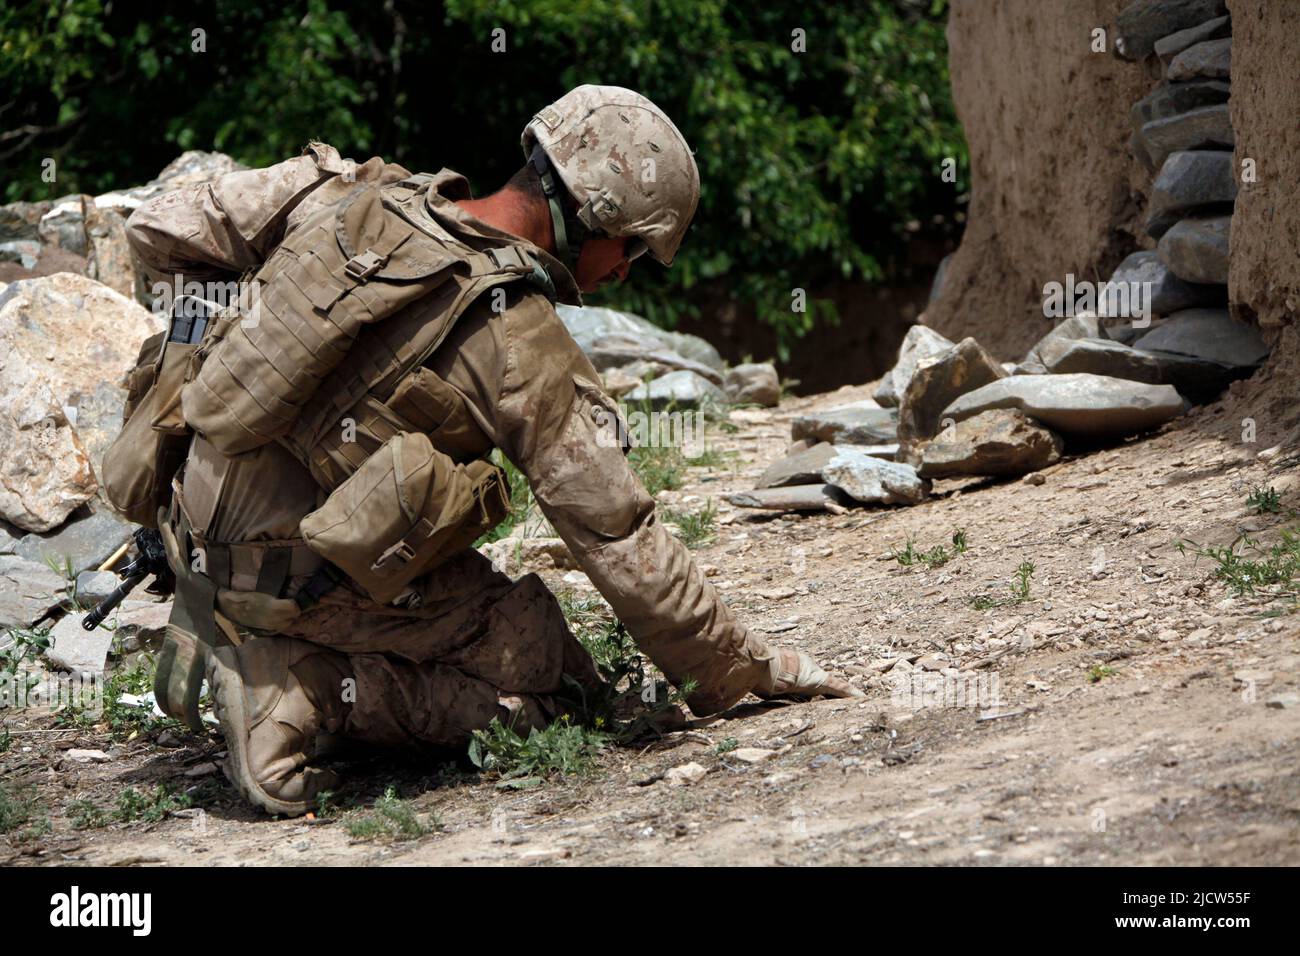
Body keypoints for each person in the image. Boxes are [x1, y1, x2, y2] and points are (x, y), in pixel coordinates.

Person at [124, 85, 860, 817]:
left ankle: (248, 631)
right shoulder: (522, 341)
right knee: (547, 683)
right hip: (295, 582)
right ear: (591, 216)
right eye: (632, 246)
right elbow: (618, 537)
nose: (626, 269)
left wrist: (221, 349)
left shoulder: (340, 194)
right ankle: (295, 688)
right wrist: (737, 669)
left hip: (184, 534)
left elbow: (156, 229)